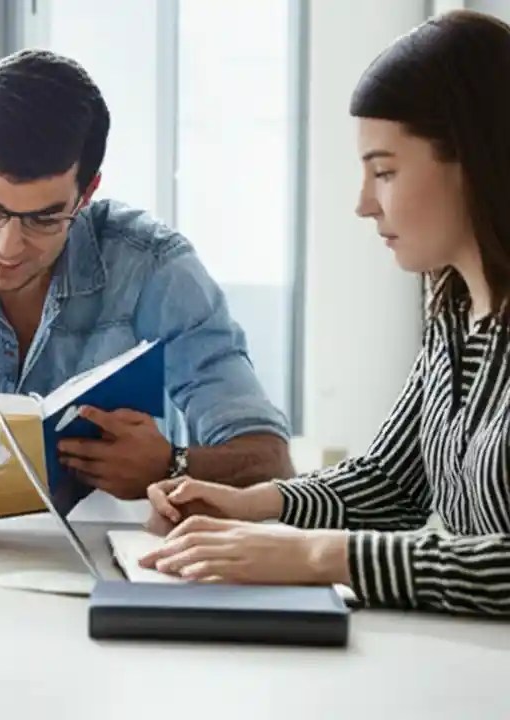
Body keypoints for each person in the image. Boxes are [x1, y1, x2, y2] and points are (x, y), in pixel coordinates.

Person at [140, 10, 510, 617]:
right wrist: (255, 504)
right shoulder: (454, 311)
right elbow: (391, 483)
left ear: (474, 161)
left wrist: (318, 555)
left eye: (384, 172)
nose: (364, 203)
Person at [0, 49, 292, 502]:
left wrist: (171, 464)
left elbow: (271, 461)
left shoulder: (154, 267)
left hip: (116, 536)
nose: (7, 246)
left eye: (43, 218)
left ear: (87, 193)